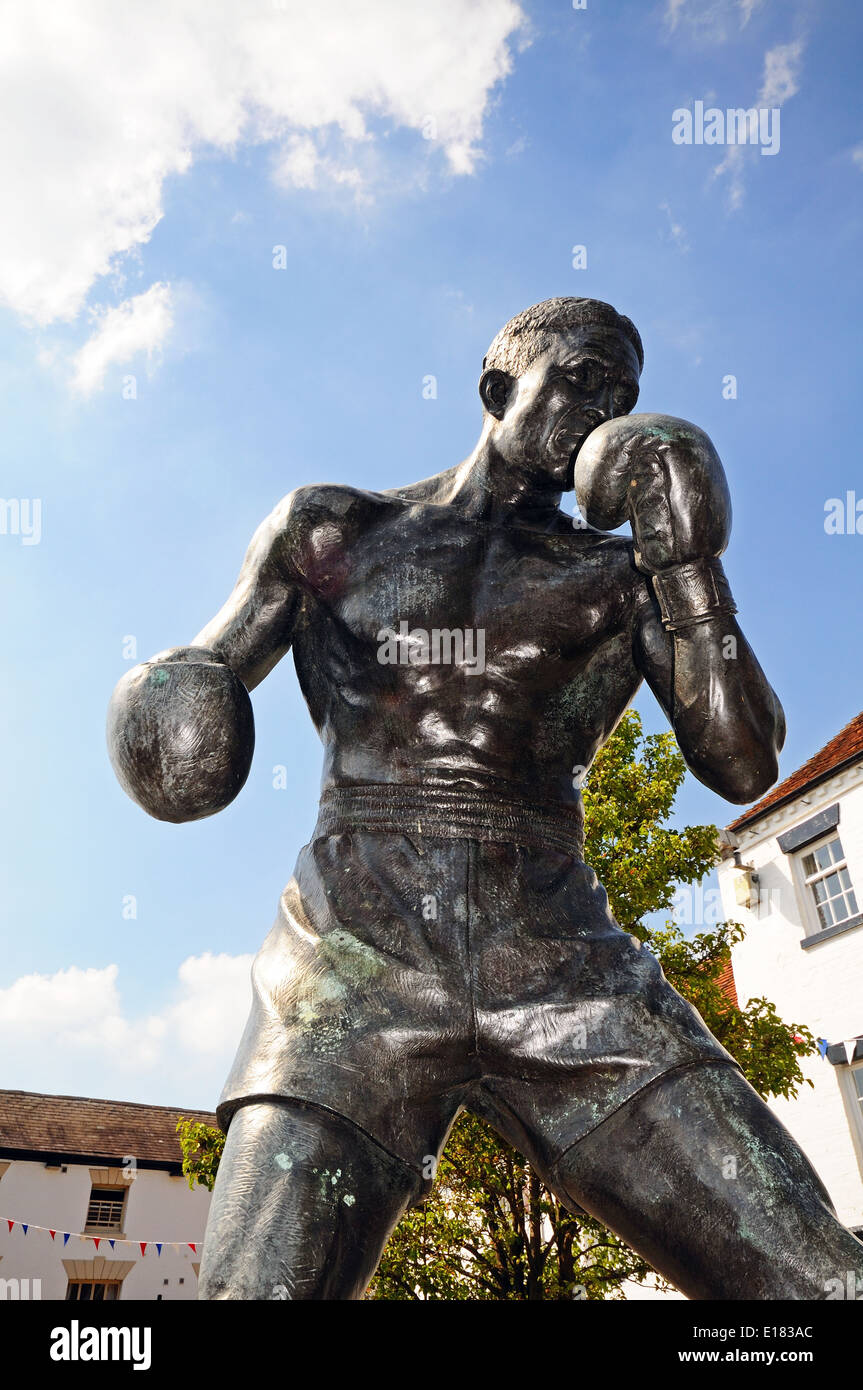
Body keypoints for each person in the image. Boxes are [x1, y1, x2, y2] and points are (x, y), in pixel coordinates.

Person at [109, 296, 863, 1299]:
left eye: (624, 396)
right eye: (584, 379)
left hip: (561, 959)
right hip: (352, 962)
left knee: (816, 1284)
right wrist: (162, 701)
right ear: (496, 385)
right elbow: (201, 670)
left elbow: (740, 763)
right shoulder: (332, 530)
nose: (603, 410)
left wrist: (689, 569)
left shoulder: (620, 575)